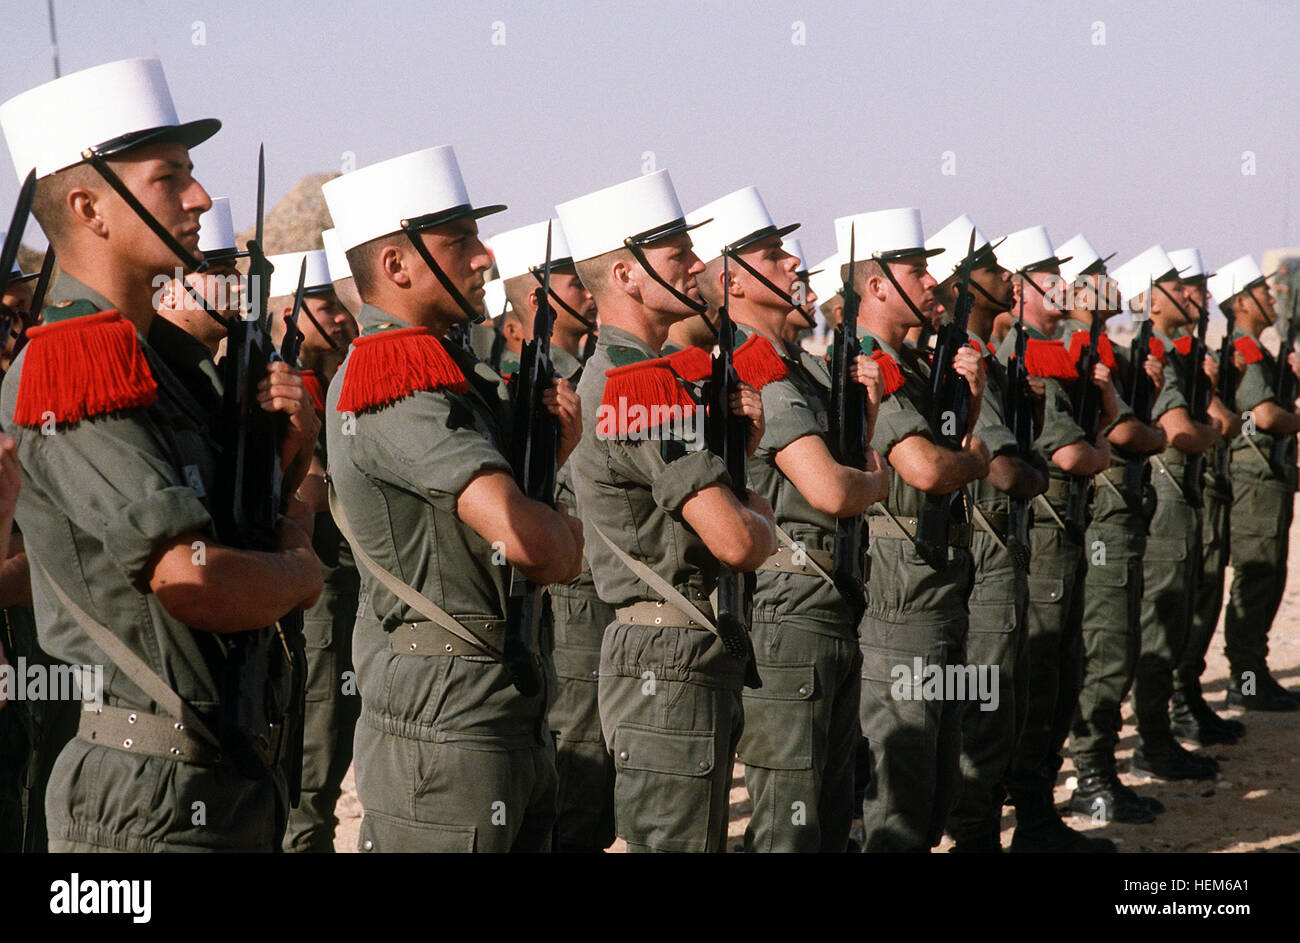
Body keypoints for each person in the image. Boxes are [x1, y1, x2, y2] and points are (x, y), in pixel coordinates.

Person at [0, 56, 323, 852]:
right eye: (168, 176)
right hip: (150, 802)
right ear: (89, 207)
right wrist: (299, 572)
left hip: (222, 772)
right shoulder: (71, 369)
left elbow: (225, 525)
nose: (201, 197)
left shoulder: (163, 367)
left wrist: (287, 456)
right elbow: (195, 578)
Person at [323, 145, 584, 852]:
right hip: (445, 716)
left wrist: (548, 459)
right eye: (458, 240)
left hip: (498, 697)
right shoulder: (392, 376)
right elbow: (531, 544)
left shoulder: (448, 373)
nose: (483, 256)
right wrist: (563, 536)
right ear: (397, 266)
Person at [556, 169, 777, 852]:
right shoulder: (639, 385)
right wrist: (763, 518)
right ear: (624, 273)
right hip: (669, 650)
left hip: (677, 642)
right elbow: (736, 540)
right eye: (675, 252)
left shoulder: (634, 377)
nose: (692, 264)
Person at [688, 186, 889, 851]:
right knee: (790, 826)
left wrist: (871, 416)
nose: (793, 264)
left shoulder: (798, 364)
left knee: (829, 815)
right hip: (788, 609)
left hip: (827, 601)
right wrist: (879, 474)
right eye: (772, 256)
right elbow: (831, 488)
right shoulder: (756, 365)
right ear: (731, 280)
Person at [839, 207, 989, 852]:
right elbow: (927, 468)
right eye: (916, 270)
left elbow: (943, 449)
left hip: (937, 584)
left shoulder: (916, 365)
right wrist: (978, 456)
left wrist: (969, 402)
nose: (932, 283)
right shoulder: (872, 364)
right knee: (899, 791)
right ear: (875, 286)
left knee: (933, 777)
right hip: (903, 593)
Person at [926, 214, 1049, 851]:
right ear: (961, 285)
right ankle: (975, 840)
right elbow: (1004, 472)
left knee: (1007, 709)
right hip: (986, 553)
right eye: (993, 269)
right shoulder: (960, 360)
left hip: (1000, 553)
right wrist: (1042, 472)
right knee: (986, 714)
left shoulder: (988, 361)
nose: (1008, 279)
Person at [491, 217, 613, 852]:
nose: (590, 293)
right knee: (575, 771)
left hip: (589, 584)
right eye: (574, 281)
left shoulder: (588, 372)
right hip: (566, 600)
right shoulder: (527, 385)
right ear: (538, 300)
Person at [993, 225, 1116, 852]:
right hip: (1044, 531)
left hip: (1061, 529)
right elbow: (1069, 454)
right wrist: (1097, 450)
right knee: (1040, 675)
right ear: (1017, 288)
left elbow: (1106, 425)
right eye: (1048, 276)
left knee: (1061, 669)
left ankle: (1039, 811)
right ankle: (1031, 815)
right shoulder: (1025, 349)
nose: (1063, 286)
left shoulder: (1051, 347)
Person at [1052, 235, 1170, 822]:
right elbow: (1124, 433)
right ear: (1074, 288)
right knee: (1104, 652)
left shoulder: (1105, 349)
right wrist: (1153, 433)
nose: (1115, 285)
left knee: (1114, 647)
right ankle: (1091, 774)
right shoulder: (1071, 351)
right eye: (1099, 275)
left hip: (1118, 514)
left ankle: (1102, 771)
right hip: (1099, 519)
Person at [262, 248, 362, 852]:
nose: (346, 319)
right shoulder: (289, 389)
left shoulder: (326, 384)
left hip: (339, 591)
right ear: (289, 318)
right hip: (315, 599)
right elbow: (311, 491)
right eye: (328, 308)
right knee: (312, 775)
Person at [1113, 246, 1223, 780]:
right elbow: (1180, 429)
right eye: (1177, 287)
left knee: (1178, 613)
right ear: (1148, 301)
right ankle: (1152, 738)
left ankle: (1168, 719)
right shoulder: (1151, 349)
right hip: (1167, 501)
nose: (1191, 295)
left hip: (1178, 497)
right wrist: (1216, 430)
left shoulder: (1172, 351)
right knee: (1160, 620)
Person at [1208, 255, 1300, 711]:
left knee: (1269, 577)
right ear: (1241, 302)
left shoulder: (1261, 350)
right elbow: (1264, 415)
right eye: (1262, 292)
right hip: (1255, 479)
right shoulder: (1242, 349)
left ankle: (1254, 675)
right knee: (1256, 577)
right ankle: (1245, 682)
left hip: (1270, 479)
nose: (1271, 297)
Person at [1169, 248, 1246, 743]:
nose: (1201, 297)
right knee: (1182, 602)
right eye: (1188, 287)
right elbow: (1219, 423)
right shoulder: (1167, 355)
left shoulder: (1196, 353)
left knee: (1203, 594)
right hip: (1178, 491)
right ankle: (1177, 706)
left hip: (1200, 489)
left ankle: (1187, 696)